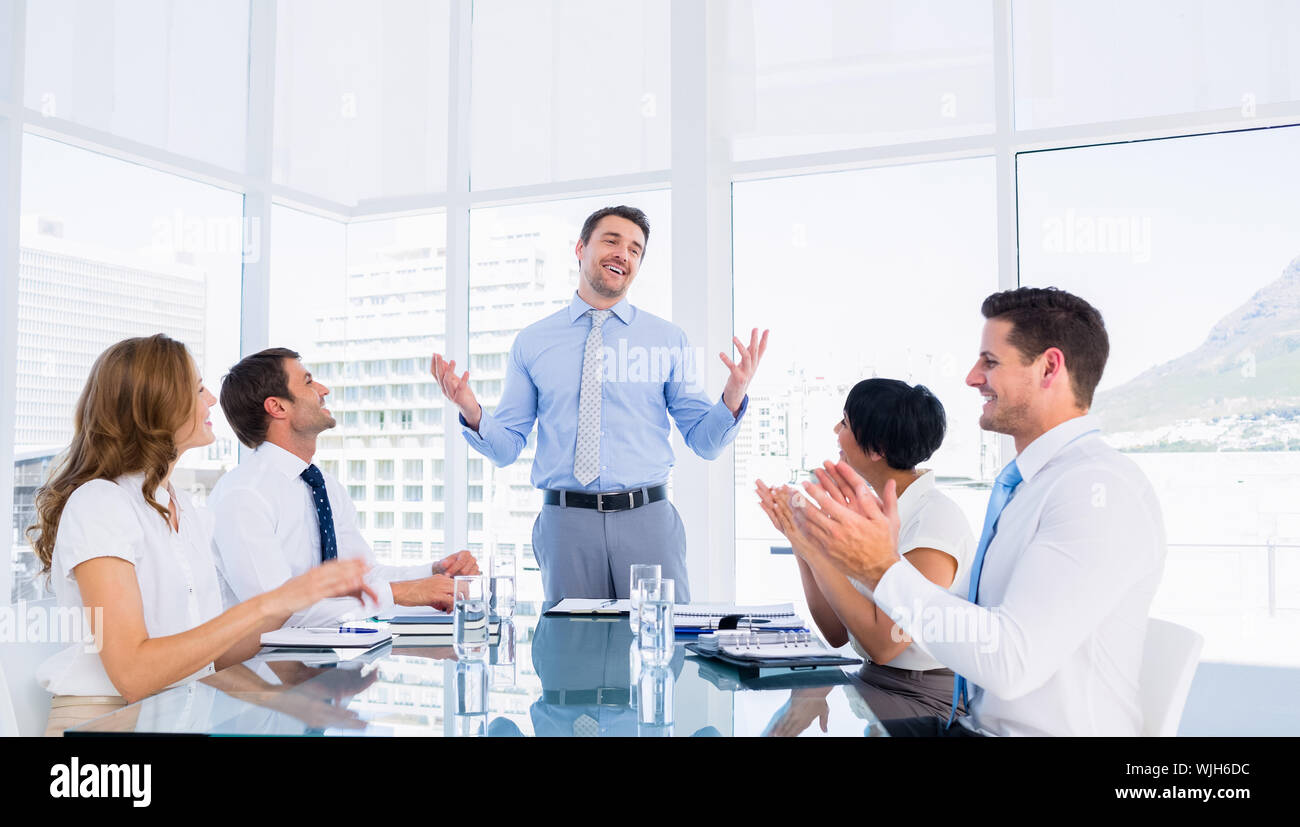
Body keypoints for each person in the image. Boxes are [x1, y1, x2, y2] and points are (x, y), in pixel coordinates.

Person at [791, 287, 1166, 737]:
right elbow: (973, 630)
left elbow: (1010, 663)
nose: (971, 377)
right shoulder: (1031, 486)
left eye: (989, 362)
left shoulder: (1095, 490)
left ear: (1050, 367)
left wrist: (881, 568)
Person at [29, 335, 375, 736]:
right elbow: (135, 675)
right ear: (157, 406)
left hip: (173, 715)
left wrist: (306, 603)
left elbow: (208, 652)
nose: (211, 399)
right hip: (103, 723)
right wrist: (274, 601)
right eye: (197, 388)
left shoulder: (184, 510)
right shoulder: (100, 503)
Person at [430, 205, 768, 602]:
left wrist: (733, 394)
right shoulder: (533, 342)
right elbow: (506, 450)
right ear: (580, 248)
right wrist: (472, 410)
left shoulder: (667, 340)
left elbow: (705, 442)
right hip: (565, 525)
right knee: (572, 652)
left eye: (635, 249)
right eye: (611, 240)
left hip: (649, 522)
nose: (623, 253)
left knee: (659, 647)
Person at [756, 378, 975, 724]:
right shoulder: (873, 513)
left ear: (877, 448)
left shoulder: (934, 524)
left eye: (844, 422)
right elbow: (836, 631)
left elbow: (885, 645)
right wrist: (798, 535)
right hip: (876, 681)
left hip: (925, 698)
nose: (836, 430)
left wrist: (810, 544)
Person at [209, 348, 478, 627]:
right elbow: (275, 612)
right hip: (265, 666)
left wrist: (434, 573)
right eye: (309, 382)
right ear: (278, 407)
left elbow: (362, 578)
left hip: (327, 659)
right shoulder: (244, 495)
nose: (324, 390)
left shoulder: (322, 485)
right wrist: (401, 593)